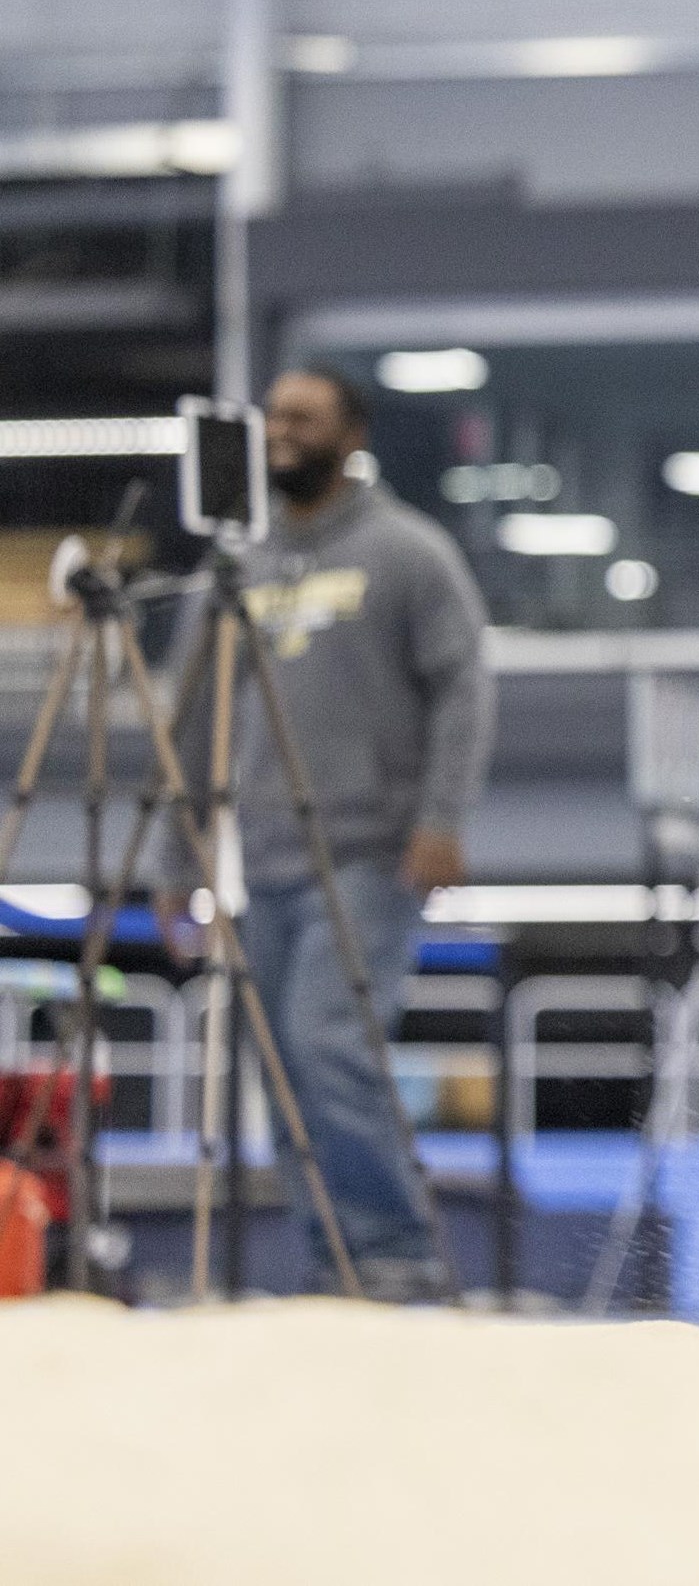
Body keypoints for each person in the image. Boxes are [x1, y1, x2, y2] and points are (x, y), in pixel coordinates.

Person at [153, 364, 491, 1302]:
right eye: (271, 417)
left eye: (303, 416)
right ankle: (335, 1260)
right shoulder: (237, 568)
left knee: (329, 1039)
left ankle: (397, 1255)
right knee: (285, 1063)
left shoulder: (407, 551)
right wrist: (175, 858)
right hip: (265, 861)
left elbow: (465, 687)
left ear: (351, 435)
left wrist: (442, 820)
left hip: (371, 854)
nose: (280, 430)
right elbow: (182, 716)